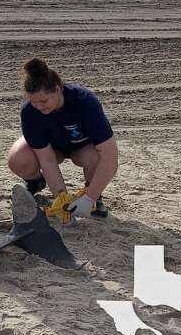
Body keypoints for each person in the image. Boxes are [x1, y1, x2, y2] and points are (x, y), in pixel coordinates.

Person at [6, 58, 118, 218]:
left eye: (44, 101)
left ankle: (94, 196)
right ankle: (36, 182)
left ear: (57, 90)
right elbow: (47, 160)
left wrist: (89, 198)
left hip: (82, 148)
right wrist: (62, 199)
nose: (39, 107)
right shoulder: (29, 112)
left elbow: (110, 156)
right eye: (33, 102)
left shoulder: (85, 102)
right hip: (53, 148)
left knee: (97, 157)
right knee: (18, 159)